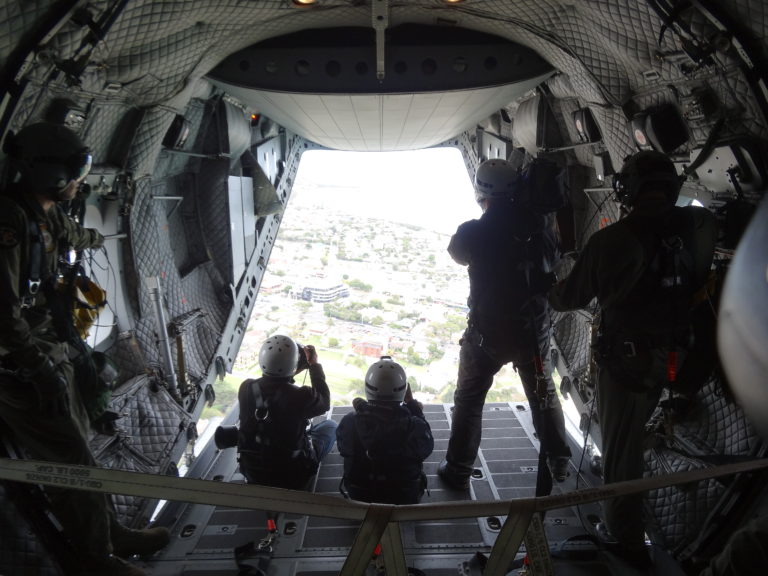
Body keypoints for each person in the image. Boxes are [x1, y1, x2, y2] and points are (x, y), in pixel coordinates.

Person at [0, 122, 169, 576]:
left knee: (81, 456)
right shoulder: (10, 221)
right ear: (49, 174)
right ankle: (96, 561)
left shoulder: (44, 212)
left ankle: (110, 532)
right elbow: (2, 315)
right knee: (69, 465)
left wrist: (98, 238)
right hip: (20, 368)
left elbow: (72, 236)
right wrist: (38, 370)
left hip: (48, 353)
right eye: (75, 172)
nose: (80, 181)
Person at [547, 150, 717, 563]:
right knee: (637, 425)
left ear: (627, 190)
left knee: (620, 452)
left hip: (628, 362)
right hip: (680, 354)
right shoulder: (700, 225)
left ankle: (624, 538)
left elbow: (568, 298)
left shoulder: (611, 241)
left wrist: (546, 282)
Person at [438, 158, 572, 494]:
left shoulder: (473, 232)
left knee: (469, 398)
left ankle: (458, 469)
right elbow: (554, 259)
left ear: (480, 191)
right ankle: (558, 460)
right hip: (533, 331)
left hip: (488, 335)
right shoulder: (542, 224)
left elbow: (457, 253)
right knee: (543, 394)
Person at [237, 334, 337, 490]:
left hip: (253, 473)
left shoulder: (246, 388)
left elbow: (274, 389)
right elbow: (324, 401)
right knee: (330, 426)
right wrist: (314, 364)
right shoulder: (302, 396)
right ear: (293, 366)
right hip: (292, 476)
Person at [336, 356, 434, 504]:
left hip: (360, 496)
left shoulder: (350, 421)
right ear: (404, 390)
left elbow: (344, 450)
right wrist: (414, 407)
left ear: (368, 388)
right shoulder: (415, 425)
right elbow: (426, 448)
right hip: (404, 497)